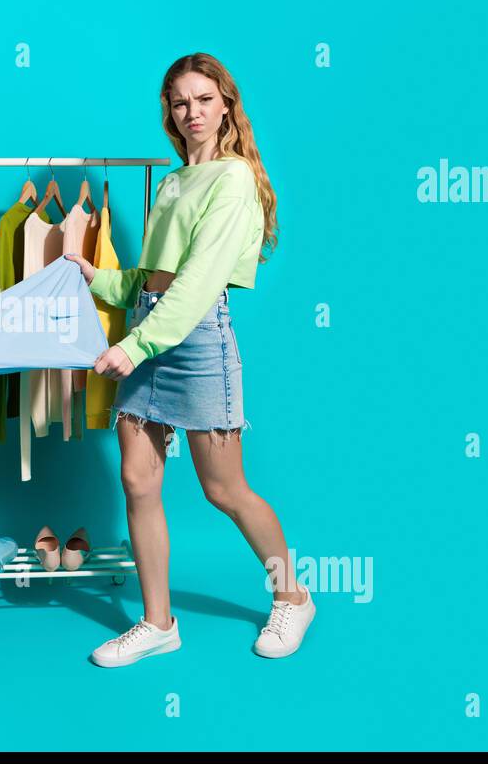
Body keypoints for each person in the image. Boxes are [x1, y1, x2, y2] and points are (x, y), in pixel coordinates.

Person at [64, 53, 315, 668]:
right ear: (169, 112)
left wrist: (133, 346)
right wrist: (96, 277)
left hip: (195, 339)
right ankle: (157, 623)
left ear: (226, 104)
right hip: (150, 327)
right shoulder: (176, 181)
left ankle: (293, 595)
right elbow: (151, 279)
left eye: (204, 99)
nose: (192, 112)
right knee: (137, 481)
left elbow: (199, 282)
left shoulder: (233, 179)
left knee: (224, 489)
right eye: (180, 102)